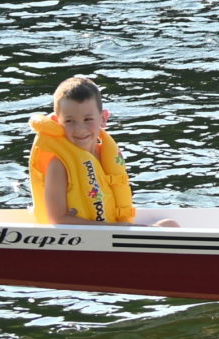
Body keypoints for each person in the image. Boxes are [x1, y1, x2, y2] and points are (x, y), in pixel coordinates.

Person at [31, 76, 176, 227]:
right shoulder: (59, 165)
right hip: (83, 238)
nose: (80, 129)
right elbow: (57, 220)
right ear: (57, 122)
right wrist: (118, 228)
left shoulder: (106, 155)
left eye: (88, 119)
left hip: (110, 230)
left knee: (169, 225)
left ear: (103, 118)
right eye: (69, 121)